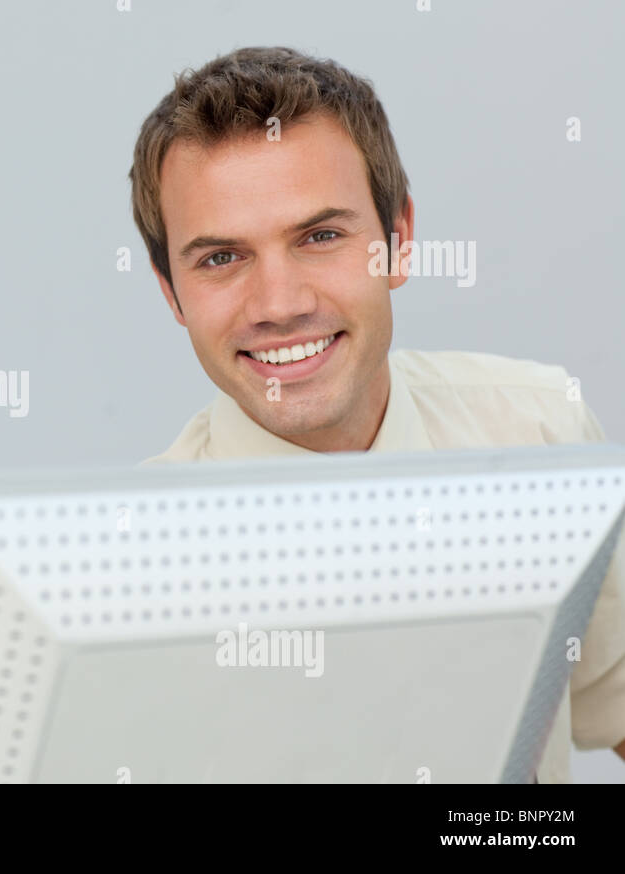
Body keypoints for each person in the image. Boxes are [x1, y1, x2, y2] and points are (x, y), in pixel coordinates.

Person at [129, 46, 625, 783]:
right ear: (171, 294)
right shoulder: (131, 564)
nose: (281, 304)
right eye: (221, 259)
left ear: (398, 239)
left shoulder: (540, 438)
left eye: (321, 237)